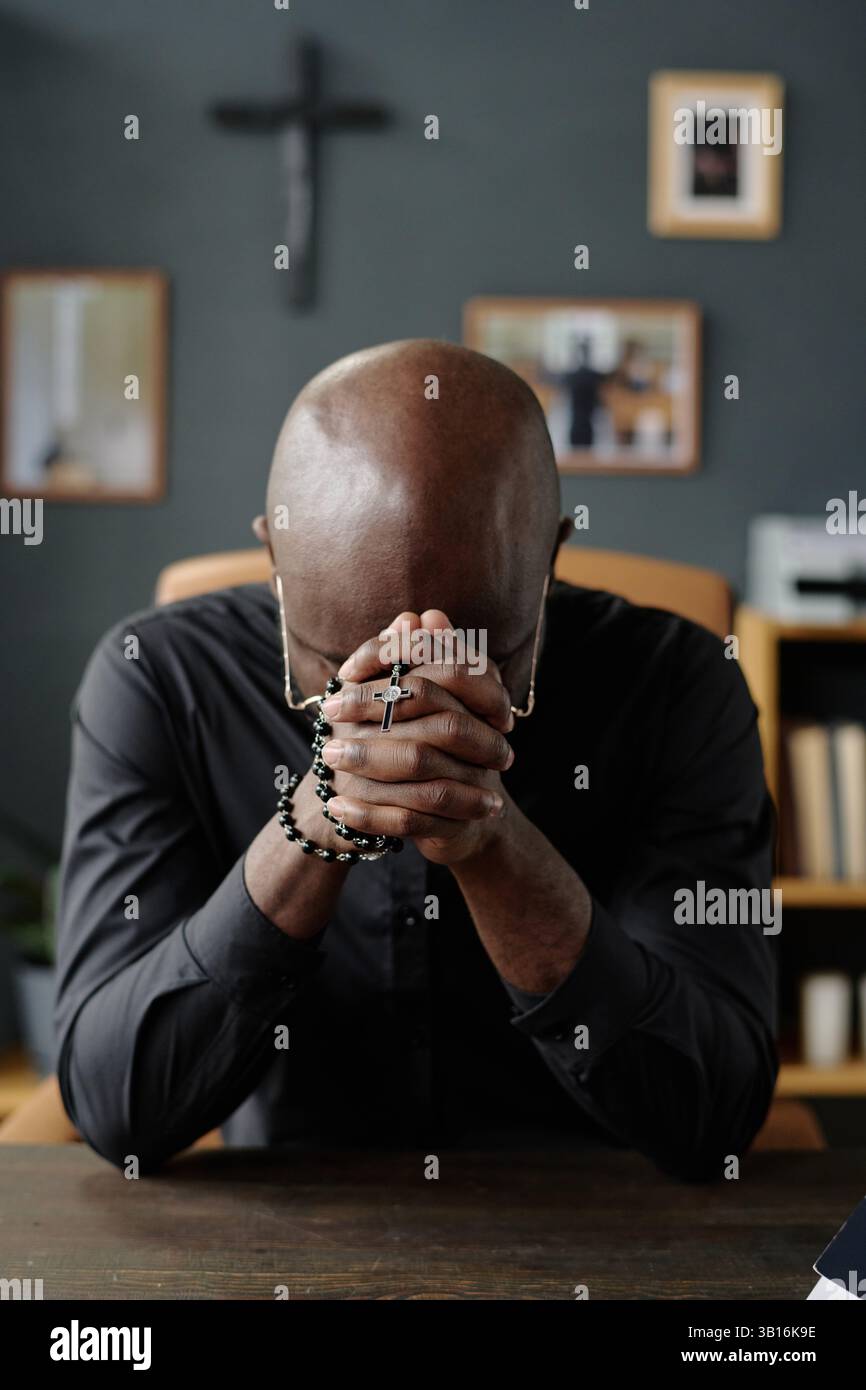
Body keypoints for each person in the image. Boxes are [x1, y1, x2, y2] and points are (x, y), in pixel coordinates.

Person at [54, 340, 777, 1178]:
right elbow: (119, 1108)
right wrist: (317, 819)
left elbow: (715, 1118)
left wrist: (491, 840)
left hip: (594, 1213)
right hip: (285, 1224)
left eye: (476, 651)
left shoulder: (678, 686)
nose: (400, 701)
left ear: (548, 559)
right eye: (341, 662)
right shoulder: (160, 681)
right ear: (274, 560)